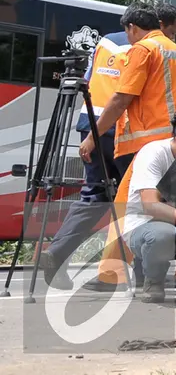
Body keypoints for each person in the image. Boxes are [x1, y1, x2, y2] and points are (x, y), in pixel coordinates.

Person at [82, 2, 176, 292]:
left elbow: (120, 98)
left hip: (148, 144)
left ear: (133, 28)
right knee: (170, 208)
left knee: (127, 208)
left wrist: (93, 137)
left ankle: (113, 276)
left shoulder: (144, 50)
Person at [38, 26, 133, 289]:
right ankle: (120, 273)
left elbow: (90, 80)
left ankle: (58, 251)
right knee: (132, 198)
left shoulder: (104, 43)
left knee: (94, 194)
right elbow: (128, 92)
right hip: (120, 128)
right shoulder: (143, 45)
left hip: (89, 123)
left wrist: (92, 133)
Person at [121, 108, 176, 302]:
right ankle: (152, 279)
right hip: (145, 224)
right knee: (163, 235)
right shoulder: (153, 154)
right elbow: (150, 206)